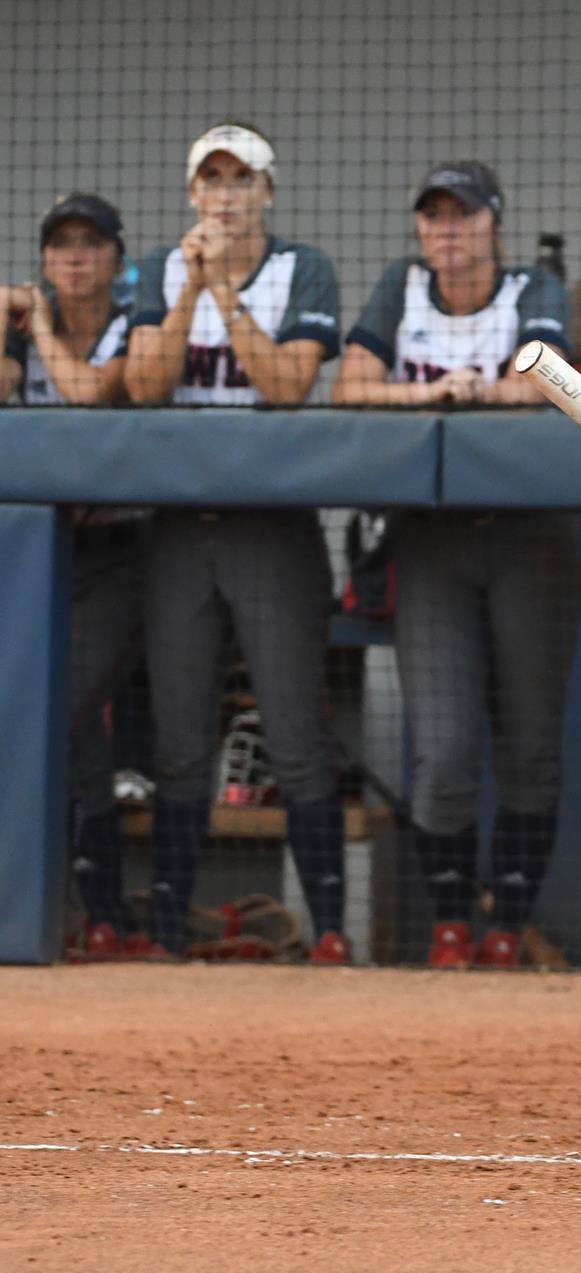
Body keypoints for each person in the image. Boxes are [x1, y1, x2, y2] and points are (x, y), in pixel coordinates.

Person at [332, 161, 581, 969]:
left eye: (464, 216)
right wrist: (441, 392)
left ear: (492, 224)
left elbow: (552, 383)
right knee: (440, 746)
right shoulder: (402, 288)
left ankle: (506, 922)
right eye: (434, 217)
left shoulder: (531, 286)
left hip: (529, 539)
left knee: (531, 745)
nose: (448, 231)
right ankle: (449, 922)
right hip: (431, 541)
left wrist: (483, 390)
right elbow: (351, 385)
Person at [125, 122, 349, 962]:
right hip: (180, 528)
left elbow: (290, 384)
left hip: (271, 525)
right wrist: (189, 288)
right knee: (182, 741)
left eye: (240, 180)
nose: (223, 195)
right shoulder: (158, 267)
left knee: (294, 733)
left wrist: (224, 292)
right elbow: (146, 388)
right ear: (193, 194)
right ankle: (165, 928)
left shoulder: (304, 267)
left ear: (266, 192)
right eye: (210, 180)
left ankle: (328, 928)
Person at [3, 192, 145, 958]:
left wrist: (42, 327)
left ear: (117, 259)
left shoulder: (134, 319)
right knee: (69, 730)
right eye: (60, 244)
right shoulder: (23, 333)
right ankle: (93, 913)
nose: (75, 256)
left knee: (59, 710)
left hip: (120, 550)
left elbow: (92, 392)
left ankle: (94, 911)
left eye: (91, 243)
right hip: (33, 555)